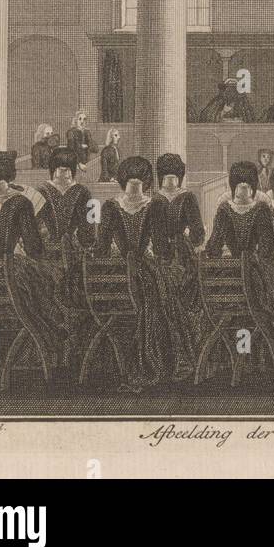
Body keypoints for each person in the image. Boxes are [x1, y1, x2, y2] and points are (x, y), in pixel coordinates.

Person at [93, 156, 195, 388]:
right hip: (145, 277)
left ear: (122, 179)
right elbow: (162, 251)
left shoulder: (110, 206)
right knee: (166, 294)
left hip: (116, 284)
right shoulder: (154, 206)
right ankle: (161, 362)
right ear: (148, 181)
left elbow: (100, 250)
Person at [0, 150, 67, 371]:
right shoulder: (21, 203)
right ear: (12, 173)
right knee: (50, 283)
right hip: (14, 284)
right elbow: (35, 249)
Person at [205, 161, 274, 364]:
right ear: (253, 186)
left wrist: (230, 259)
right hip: (255, 281)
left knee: (240, 313)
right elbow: (267, 250)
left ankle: (239, 356)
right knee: (265, 302)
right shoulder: (261, 209)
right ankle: (255, 357)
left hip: (229, 283)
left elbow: (213, 248)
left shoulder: (224, 209)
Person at [152, 153, 208, 352]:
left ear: (180, 178)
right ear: (161, 178)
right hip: (161, 255)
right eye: (166, 177)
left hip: (183, 254)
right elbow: (153, 231)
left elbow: (198, 230)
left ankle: (190, 342)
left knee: (186, 289)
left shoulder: (187, 197)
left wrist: (188, 242)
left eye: (174, 177)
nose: (170, 181)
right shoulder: (155, 200)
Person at [33, 146, 94, 311]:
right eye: (61, 169)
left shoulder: (84, 193)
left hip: (70, 252)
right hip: (49, 254)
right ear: (54, 170)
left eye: (67, 169)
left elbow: (89, 228)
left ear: (72, 171)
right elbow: (33, 225)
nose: (64, 173)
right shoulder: (41, 191)